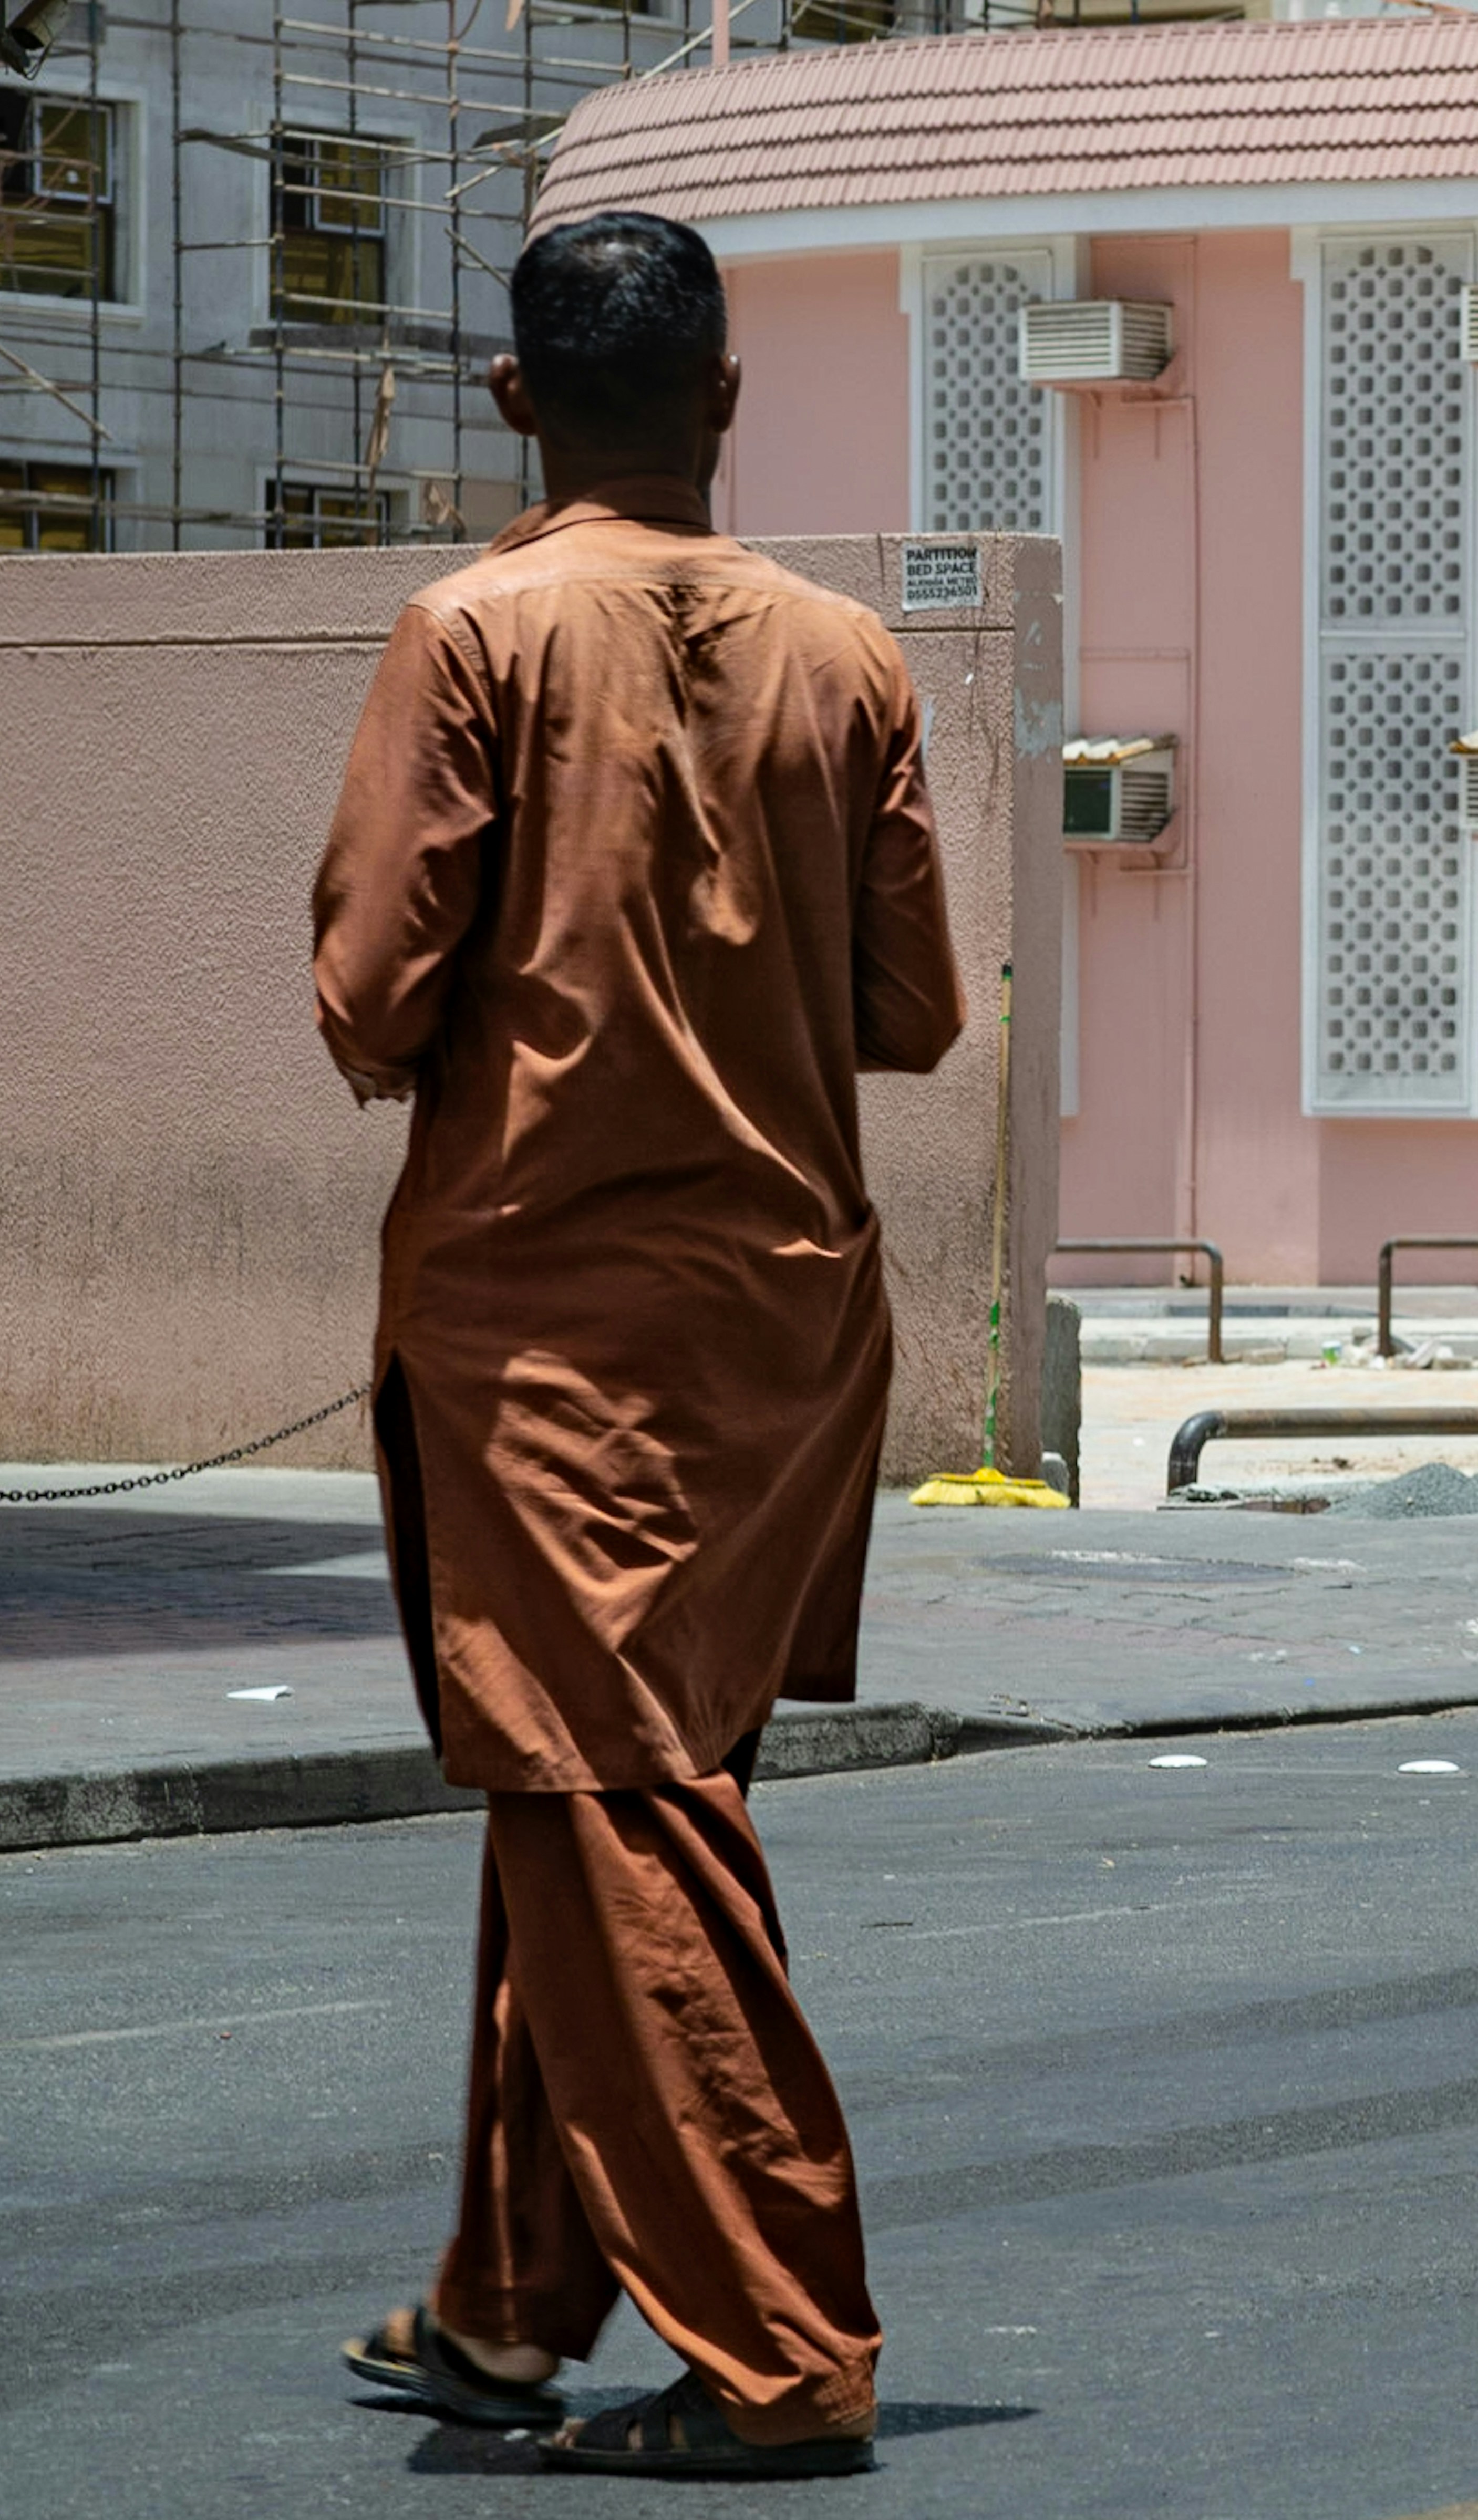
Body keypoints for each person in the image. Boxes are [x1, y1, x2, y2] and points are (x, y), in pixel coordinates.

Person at [314, 210, 964, 2481]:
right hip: (786, 1322)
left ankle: (784, 2350)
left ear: (513, 401)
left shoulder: (470, 629)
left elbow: (372, 1003)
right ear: (725, 395)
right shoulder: (851, 654)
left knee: (611, 1806)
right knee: (602, 1802)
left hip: (546, 1321)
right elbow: (913, 1009)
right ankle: (508, 2305)